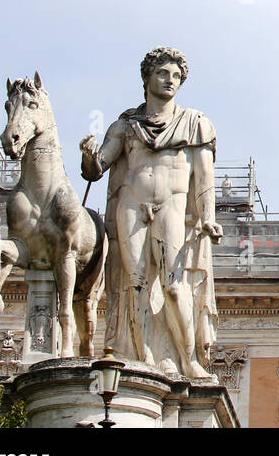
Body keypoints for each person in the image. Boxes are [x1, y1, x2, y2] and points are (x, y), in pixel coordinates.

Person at [80, 47, 221, 378]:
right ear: (147, 78)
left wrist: (209, 216)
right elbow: (97, 168)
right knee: (135, 284)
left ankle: (189, 361)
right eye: (163, 74)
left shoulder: (195, 124)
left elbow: (204, 178)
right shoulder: (126, 125)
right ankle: (142, 359)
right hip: (131, 202)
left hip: (172, 205)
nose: (170, 80)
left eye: (176, 76)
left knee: (174, 285)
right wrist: (88, 156)